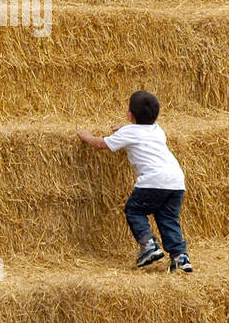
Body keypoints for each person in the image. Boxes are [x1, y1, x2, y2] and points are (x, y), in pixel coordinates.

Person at [77, 90, 192, 273]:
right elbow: (139, 131)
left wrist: (86, 136)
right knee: (168, 219)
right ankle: (180, 257)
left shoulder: (129, 131)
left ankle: (149, 245)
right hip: (176, 181)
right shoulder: (157, 129)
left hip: (153, 181)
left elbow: (101, 144)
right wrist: (125, 128)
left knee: (134, 210)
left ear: (130, 115)